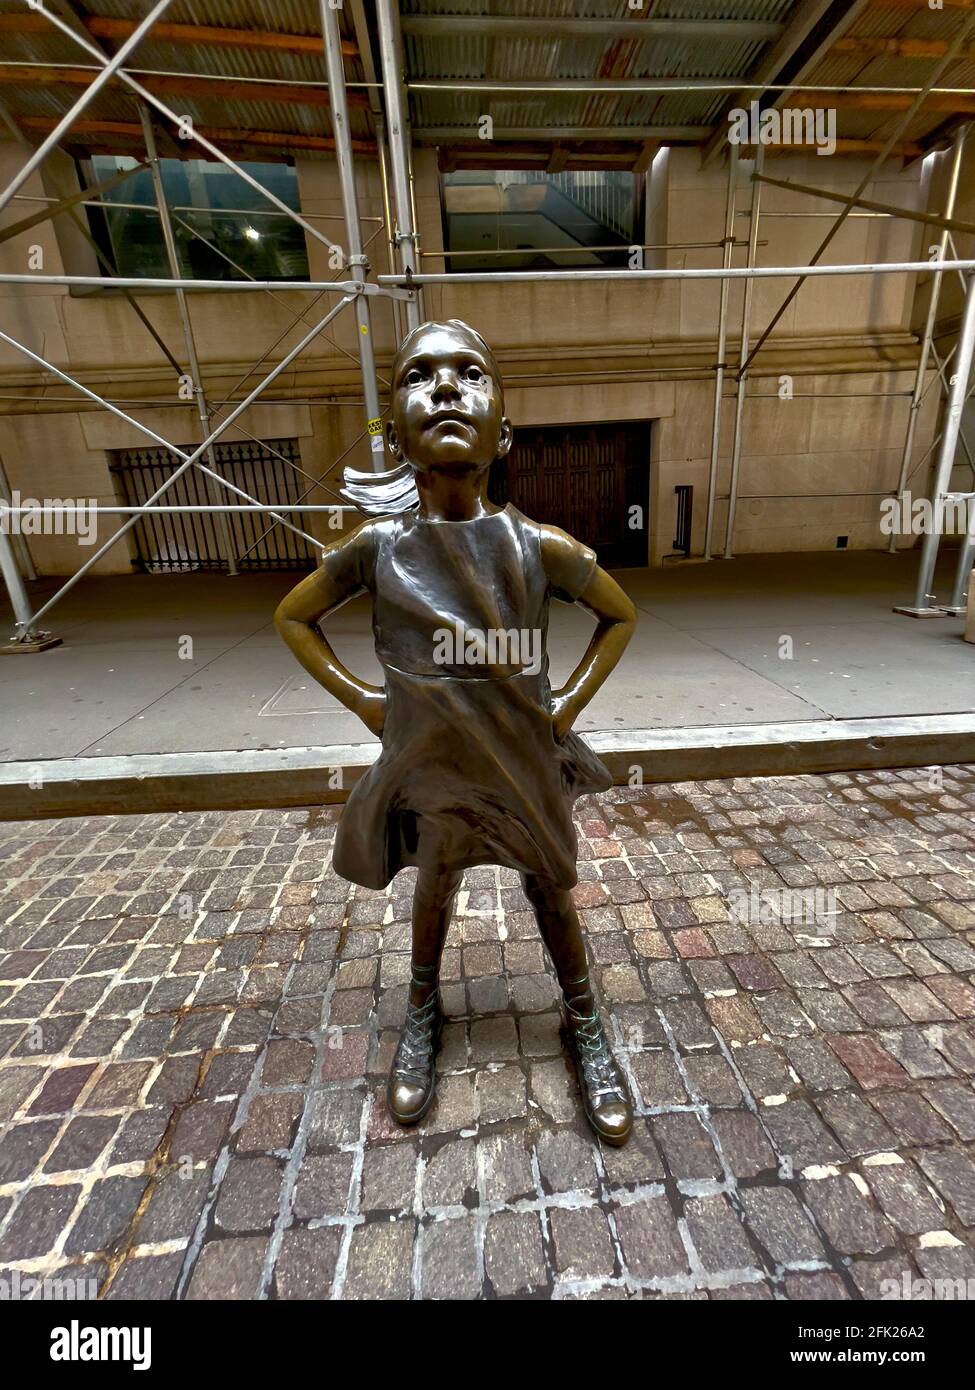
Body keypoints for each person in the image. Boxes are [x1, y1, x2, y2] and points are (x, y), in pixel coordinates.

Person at [275, 319, 637, 1145]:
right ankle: (420, 1010)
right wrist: (370, 705)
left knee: (551, 886)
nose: (443, 388)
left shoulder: (537, 547)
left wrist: (565, 707)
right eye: (418, 376)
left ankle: (582, 1021)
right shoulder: (377, 549)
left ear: (502, 429)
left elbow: (618, 616)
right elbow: (293, 619)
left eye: (469, 373)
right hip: (433, 763)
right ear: (395, 431)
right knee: (434, 884)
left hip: (520, 757)